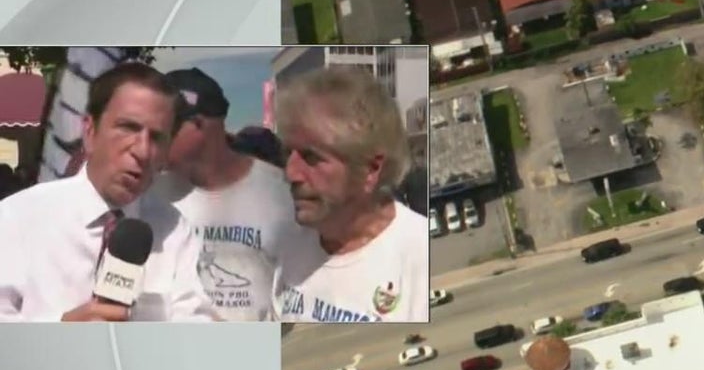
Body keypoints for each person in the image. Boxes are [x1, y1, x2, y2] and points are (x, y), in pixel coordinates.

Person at [0, 62, 218, 322]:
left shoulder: (175, 230)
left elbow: (195, 321)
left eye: (157, 138)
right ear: (90, 131)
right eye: (128, 127)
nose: (143, 151)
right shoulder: (17, 218)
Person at [272, 67, 429, 323]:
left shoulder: (418, 256)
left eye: (311, 157)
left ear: (371, 168)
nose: (291, 173)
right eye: (288, 154)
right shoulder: (290, 248)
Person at [150, 68, 295, 321]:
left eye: (163, 129)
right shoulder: (151, 197)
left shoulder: (282, 194)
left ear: (199, 125)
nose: (151, 140)